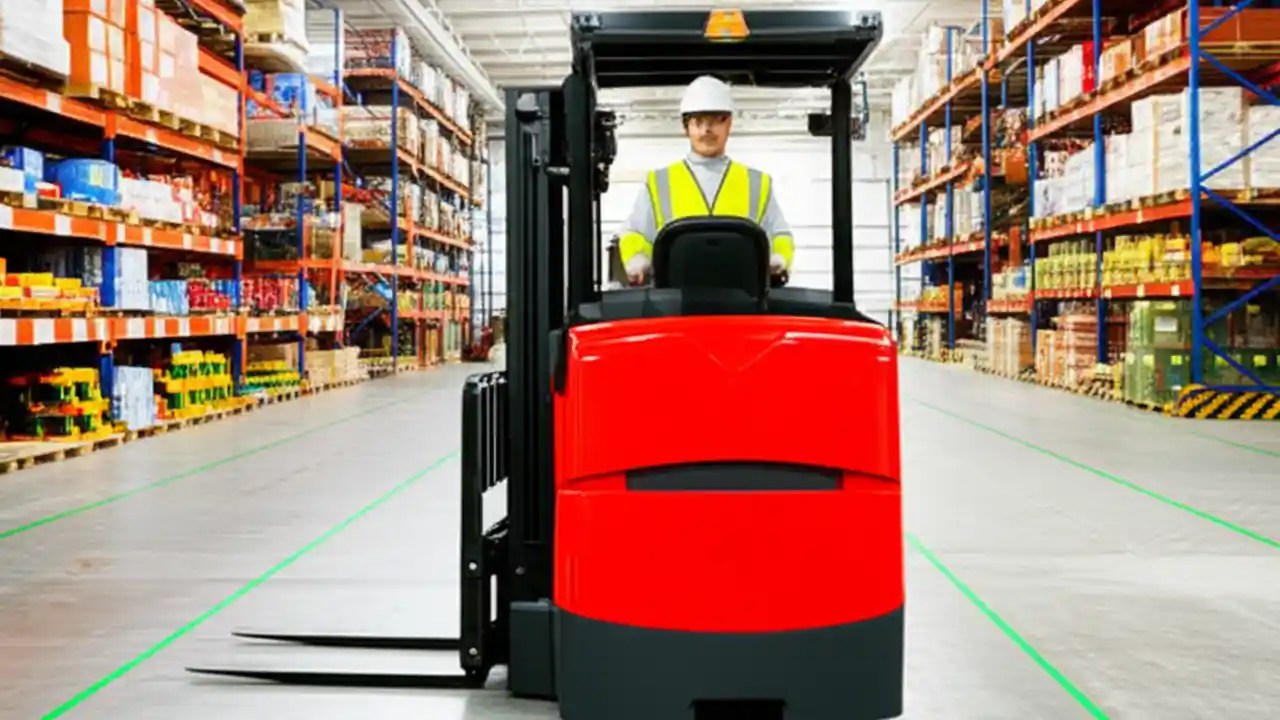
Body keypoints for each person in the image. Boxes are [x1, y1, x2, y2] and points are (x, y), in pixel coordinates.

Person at [616, 75, 795, 286]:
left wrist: (779, 259)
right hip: (676, 299)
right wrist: (637, 259)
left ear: (729, 123)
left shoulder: (758, 183)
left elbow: (780, 235)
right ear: (686, 127)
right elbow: (635, 233)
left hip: (742, 298)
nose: (705, 130)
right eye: (698, 122)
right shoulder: (658, 183)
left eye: (713, 121)